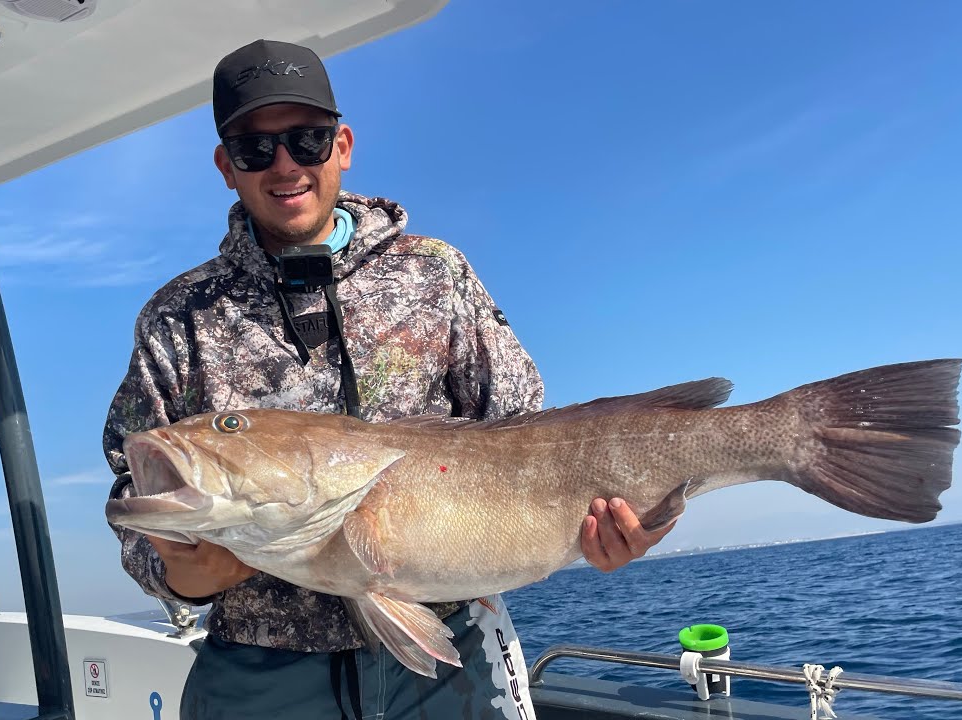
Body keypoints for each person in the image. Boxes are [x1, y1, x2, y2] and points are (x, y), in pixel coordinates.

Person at [103, 38, 677, 720]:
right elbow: (133, 502)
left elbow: (529, 433)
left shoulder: (436, 271)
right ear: (227, 167)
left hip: (451, 651)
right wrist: (181, 574)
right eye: (255, 149)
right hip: (262, 670)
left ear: (342, 146)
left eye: (307, 140)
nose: (284, 165)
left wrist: (605, 530)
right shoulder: (177, 316)